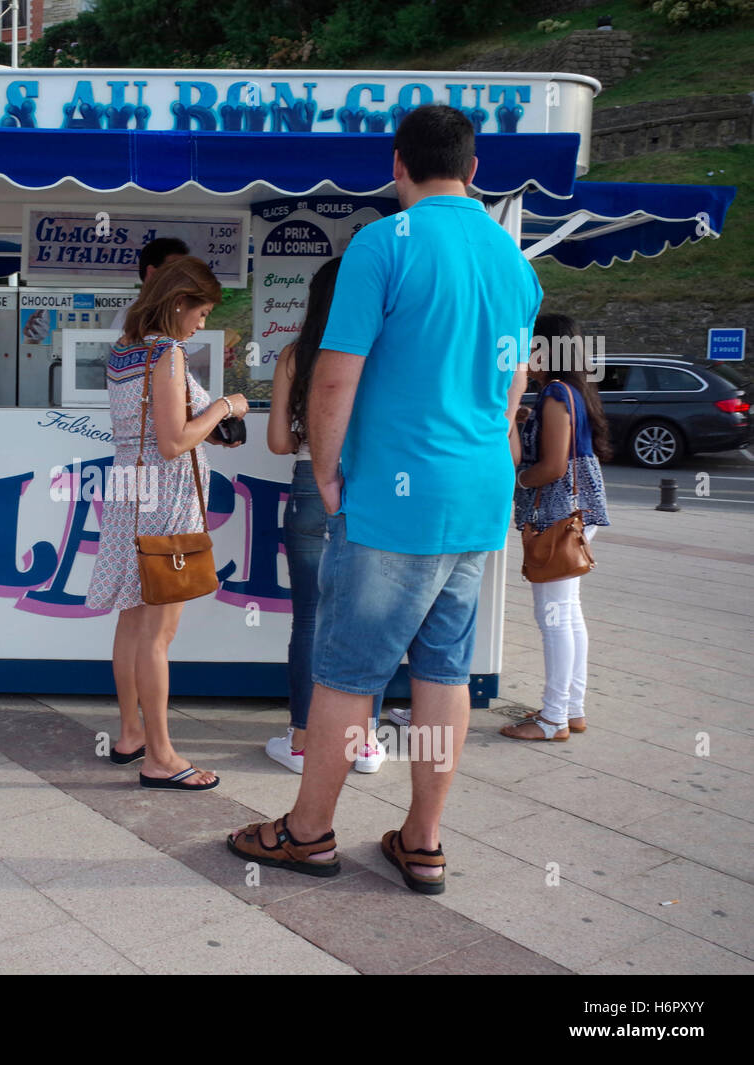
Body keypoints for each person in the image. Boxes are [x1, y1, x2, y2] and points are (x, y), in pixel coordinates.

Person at [228, 104, 542, 892]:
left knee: (348, 673)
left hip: (394, 495)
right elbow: (513, 386)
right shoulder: (514, 261)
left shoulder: (382, 244)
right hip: (476, 497)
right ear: (474, 171)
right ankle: (423, 840)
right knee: (443, 675)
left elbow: (334, 373)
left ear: (398, 162)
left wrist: (328, 468)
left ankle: (307, 833)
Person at [86, 256, 247, 790]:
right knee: (158, 634)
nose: (202, 323)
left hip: (129, 492)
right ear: (178, 303)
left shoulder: (124, 352)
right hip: (166, 498)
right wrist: (223, 406)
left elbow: (150, 428)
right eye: (200, 312)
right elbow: (174, 440)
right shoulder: (169, 354)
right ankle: (161, 757)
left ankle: (131, 734)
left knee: (132, 624)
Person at [263, 259, 389, 776]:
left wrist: (305, 434)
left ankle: (300, 741)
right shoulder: (384, 351)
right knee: (371, 617)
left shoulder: (296, 356)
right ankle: (362, 744)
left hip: (309, 485)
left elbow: (277, 442)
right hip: (374, 490)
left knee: (312, 618)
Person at [501, 313, 611, 741]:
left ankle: (552, 720)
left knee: (554, 618)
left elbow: (552, 466)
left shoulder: (555, 396)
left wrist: (516, 481)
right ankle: (572, 708)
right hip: (577, 514)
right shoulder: (571, 392)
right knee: (568, 613)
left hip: (558, 516)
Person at [107, 237, 190, 333]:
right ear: (152, 273)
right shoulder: (131, 315)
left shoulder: (181, 309)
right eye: (175, 271)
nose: (183, 277)